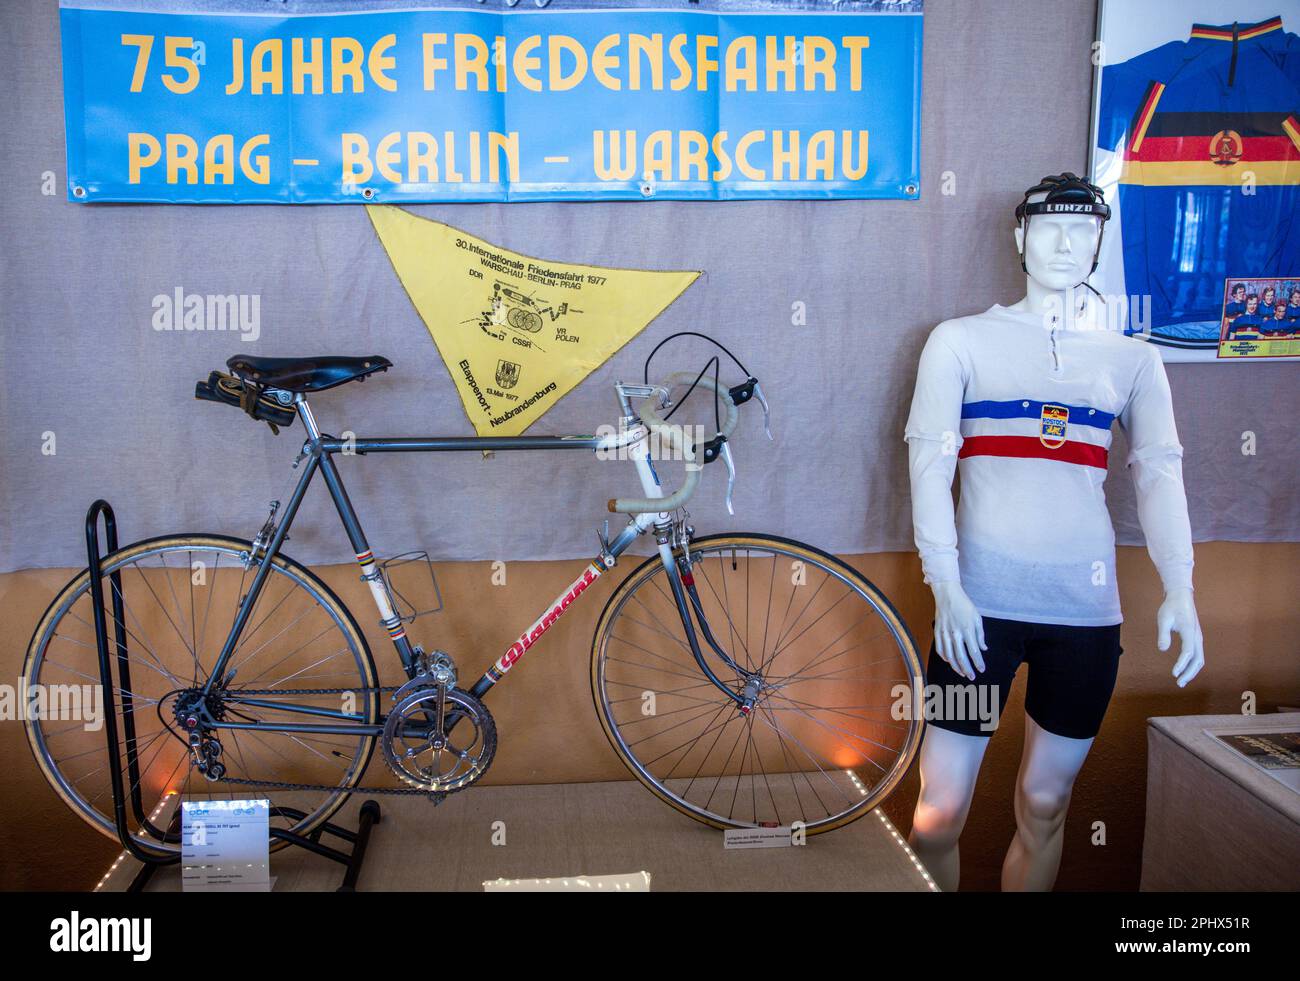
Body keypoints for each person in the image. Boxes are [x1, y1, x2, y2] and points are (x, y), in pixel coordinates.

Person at [903, 173, 1204, 892]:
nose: (1066, 243)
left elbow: (1160, 471)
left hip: (1084, 619)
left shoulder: (1132, 359)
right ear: (1019, 237)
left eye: (1082, 230)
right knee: (937, 812)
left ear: (1101, 241)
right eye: (1049, 228)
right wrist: (944, 585)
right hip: (973, 618)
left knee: (1046, 803)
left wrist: (1181, 587)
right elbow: (926, 463)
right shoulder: (959, 341)